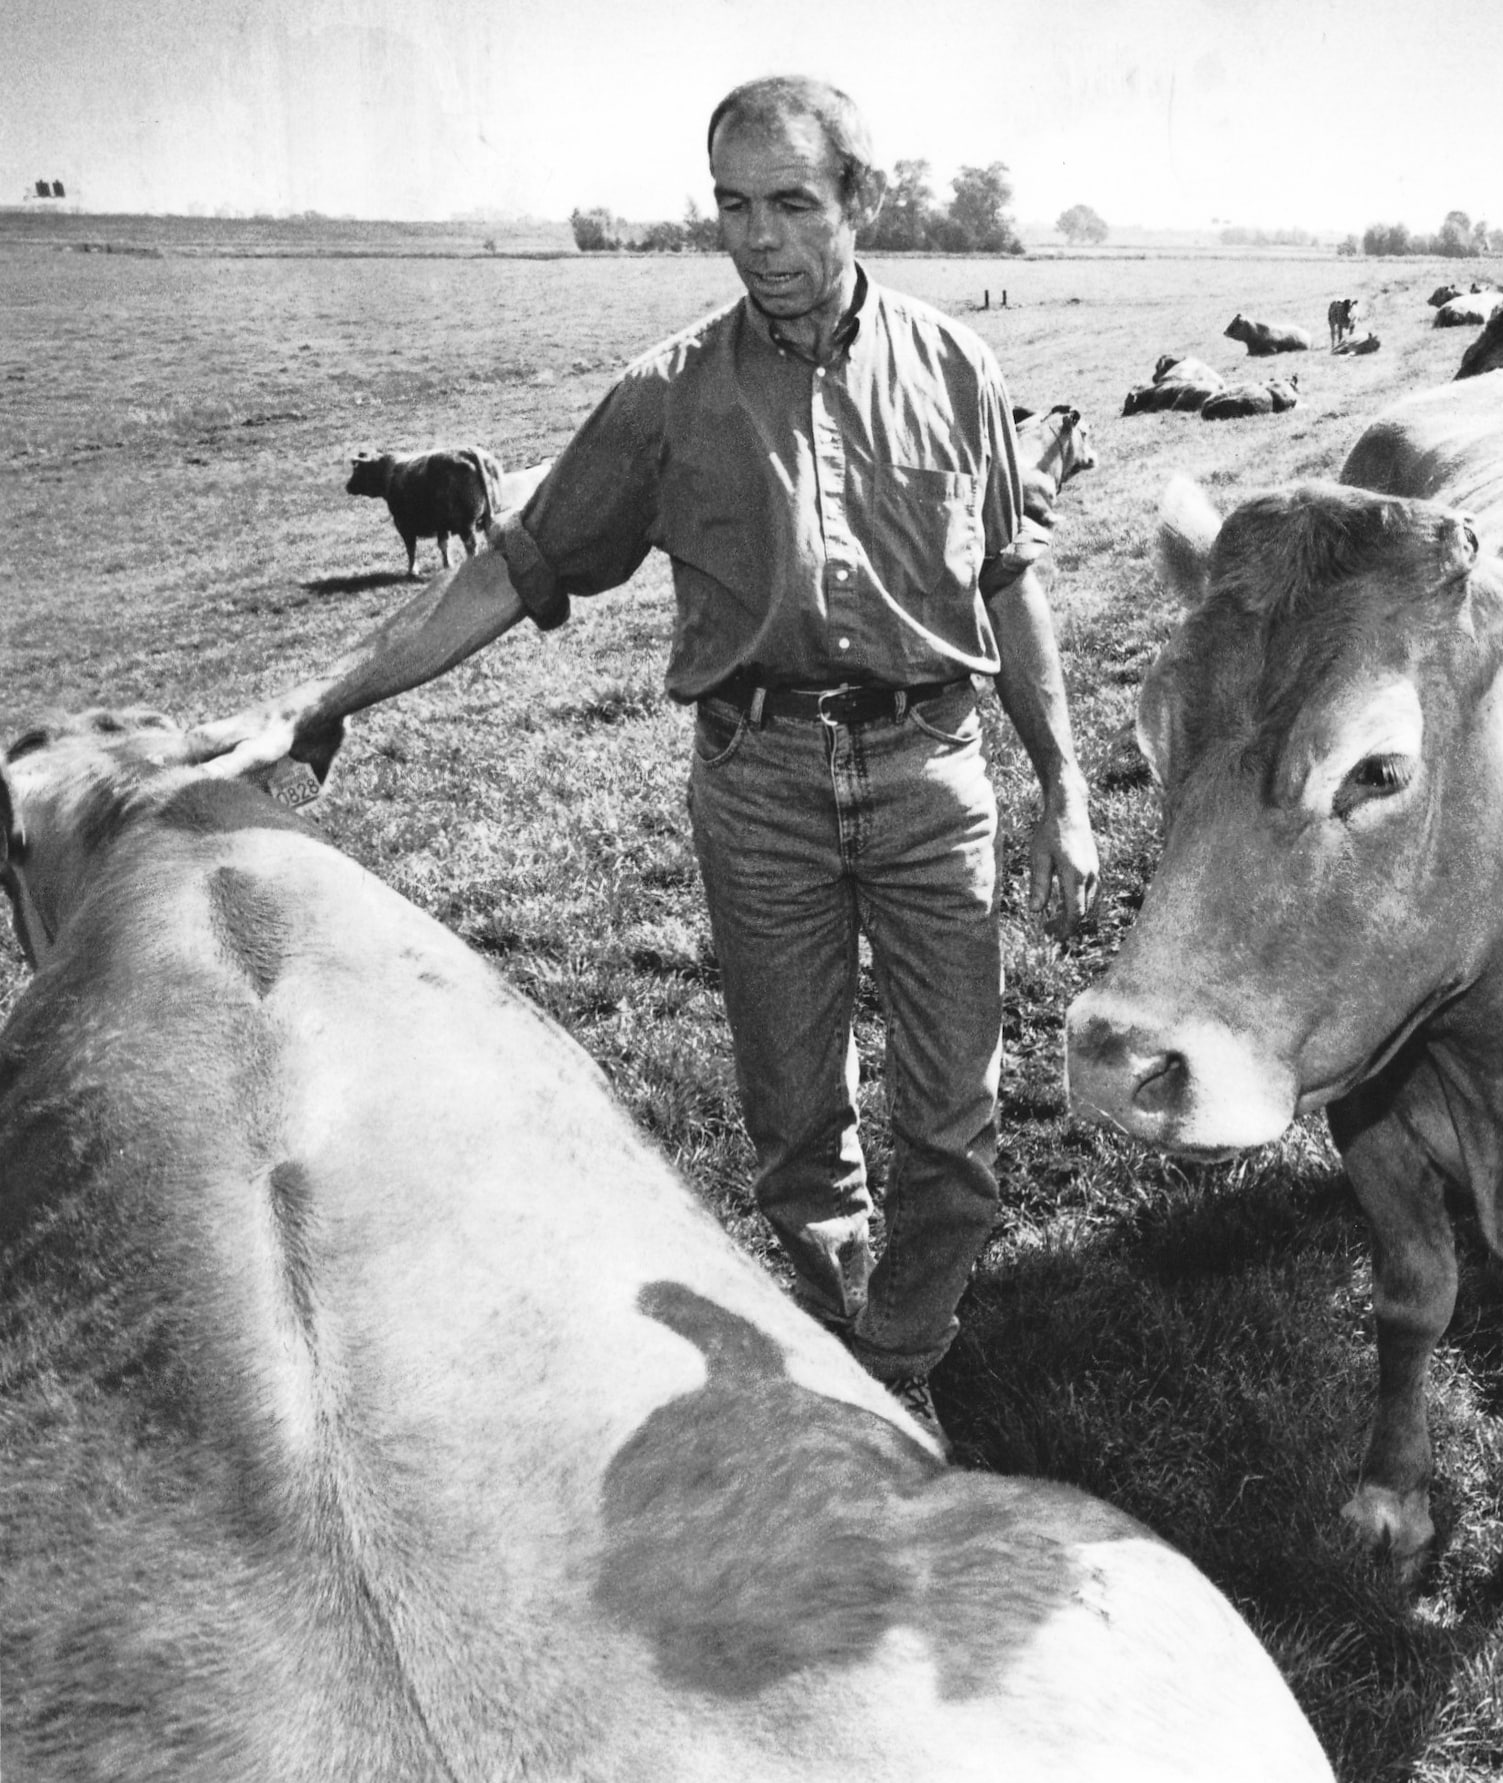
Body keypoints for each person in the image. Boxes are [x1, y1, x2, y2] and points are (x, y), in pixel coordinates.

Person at [189, 74, 1097, 1453]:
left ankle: (902, 1353)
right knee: (794, 1122)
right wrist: (324, 698)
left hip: (933, 775)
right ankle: (845, 1325)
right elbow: (514, 568)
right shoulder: (668, 398)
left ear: (859, 202)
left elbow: (1009, 580)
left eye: (792, 203)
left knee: (955, 1118)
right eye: (733, 206)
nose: (759, 238)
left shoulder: (957, 369)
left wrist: (1066, 790)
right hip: (760, 785)